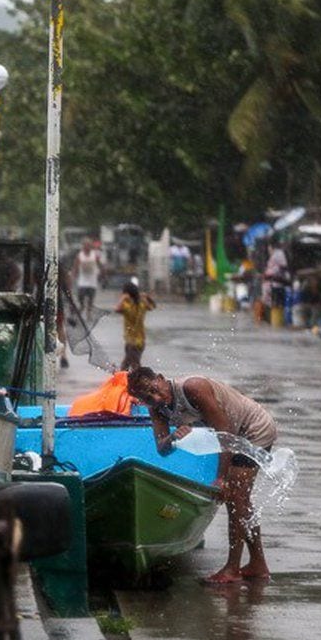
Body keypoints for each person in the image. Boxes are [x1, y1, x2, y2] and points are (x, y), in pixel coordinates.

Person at [128, 366, 280, 584]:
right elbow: (161, 448)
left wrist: (222, 478)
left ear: (161, 379)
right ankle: (257, 565)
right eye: (148, 398)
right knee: (240, 500)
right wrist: (173, 437)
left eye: (154, 390)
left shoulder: (192, 388)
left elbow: (225, 433)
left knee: (235, 499)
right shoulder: (157, 408)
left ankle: (233, 568)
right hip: (232, 435)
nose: (155, 398)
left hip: (253, 430)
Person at [114, 281, 156, 369]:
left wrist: (122, 298)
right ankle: (124, 380)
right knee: (128, 363)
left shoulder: (127, 306)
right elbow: (153, 306)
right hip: (140, 341)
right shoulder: (142, 304)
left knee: (133, 365)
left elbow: (117, 309)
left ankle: (138, 380)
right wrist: (147, 297)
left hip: (131, 342)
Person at [73, 238, 104, 316]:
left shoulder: (95, 255)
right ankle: (82, 306)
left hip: (92, 280)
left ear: (91, 246)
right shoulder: (80, 255)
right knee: (81, 296)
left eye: (89, 245)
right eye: (85, 245)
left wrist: (102, 274)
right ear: (83, 246)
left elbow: (100, 265)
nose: (87, 247)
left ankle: (89, 312)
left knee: (91, 297)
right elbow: (75, 266)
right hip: (82, 280)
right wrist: (74, 276)